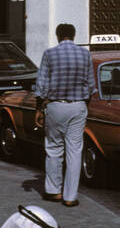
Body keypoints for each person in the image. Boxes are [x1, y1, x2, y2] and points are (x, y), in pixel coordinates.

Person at [34, 23, 94, 205]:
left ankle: (54, 191)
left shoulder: (49, 54)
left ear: (58, 35)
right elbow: (91, 84)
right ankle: (70, 196)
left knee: (53, 148)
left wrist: (38, 108)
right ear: (74, 36)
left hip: (55, 106)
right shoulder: (85, 54)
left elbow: (42, 83)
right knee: (75, 151)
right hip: (78, 105)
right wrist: (85, 104)